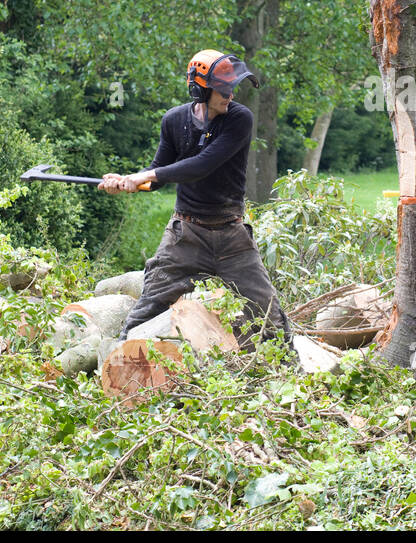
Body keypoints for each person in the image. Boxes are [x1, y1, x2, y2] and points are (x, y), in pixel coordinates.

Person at [99, 50, 293, 346]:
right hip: (185, 237)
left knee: (271, 319)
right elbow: (157, 174)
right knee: (144, 315)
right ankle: (113, 367)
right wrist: (126, 182)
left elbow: (201, 166)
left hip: (231, 237)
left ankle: (297, 383)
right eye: (224, 88)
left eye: (233, 87)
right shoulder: (174, 120)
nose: (231, 94)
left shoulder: (239, 119)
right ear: (199, 89)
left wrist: (146, 176)